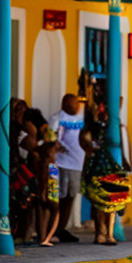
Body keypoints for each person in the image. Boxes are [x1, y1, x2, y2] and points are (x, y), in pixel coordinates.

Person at [82, 107, 130, 245]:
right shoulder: (89, 130)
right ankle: (100, 233)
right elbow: (86, 145)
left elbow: (118, 145)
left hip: (110, 167)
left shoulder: (113, 128)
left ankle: (108, 233)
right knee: (98, 202)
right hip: (97, 167)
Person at [49, 94, 88, 243]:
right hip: (61, 164)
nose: (74, 107)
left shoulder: (82, 118)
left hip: (77, 164)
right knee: (58, 197)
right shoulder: (57, 118)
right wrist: (58, 147)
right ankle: (52, 228)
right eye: (71, 104)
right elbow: (51, 137)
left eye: (75, 104)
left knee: (71, 196)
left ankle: (62, 228)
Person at [20, 107, 61, 247]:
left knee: (46, 205)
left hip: (49, 171)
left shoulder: (40, 143)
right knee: (46, 205)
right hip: (49, 171)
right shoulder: (40, 143)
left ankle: (45, 236)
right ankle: (45, 236)